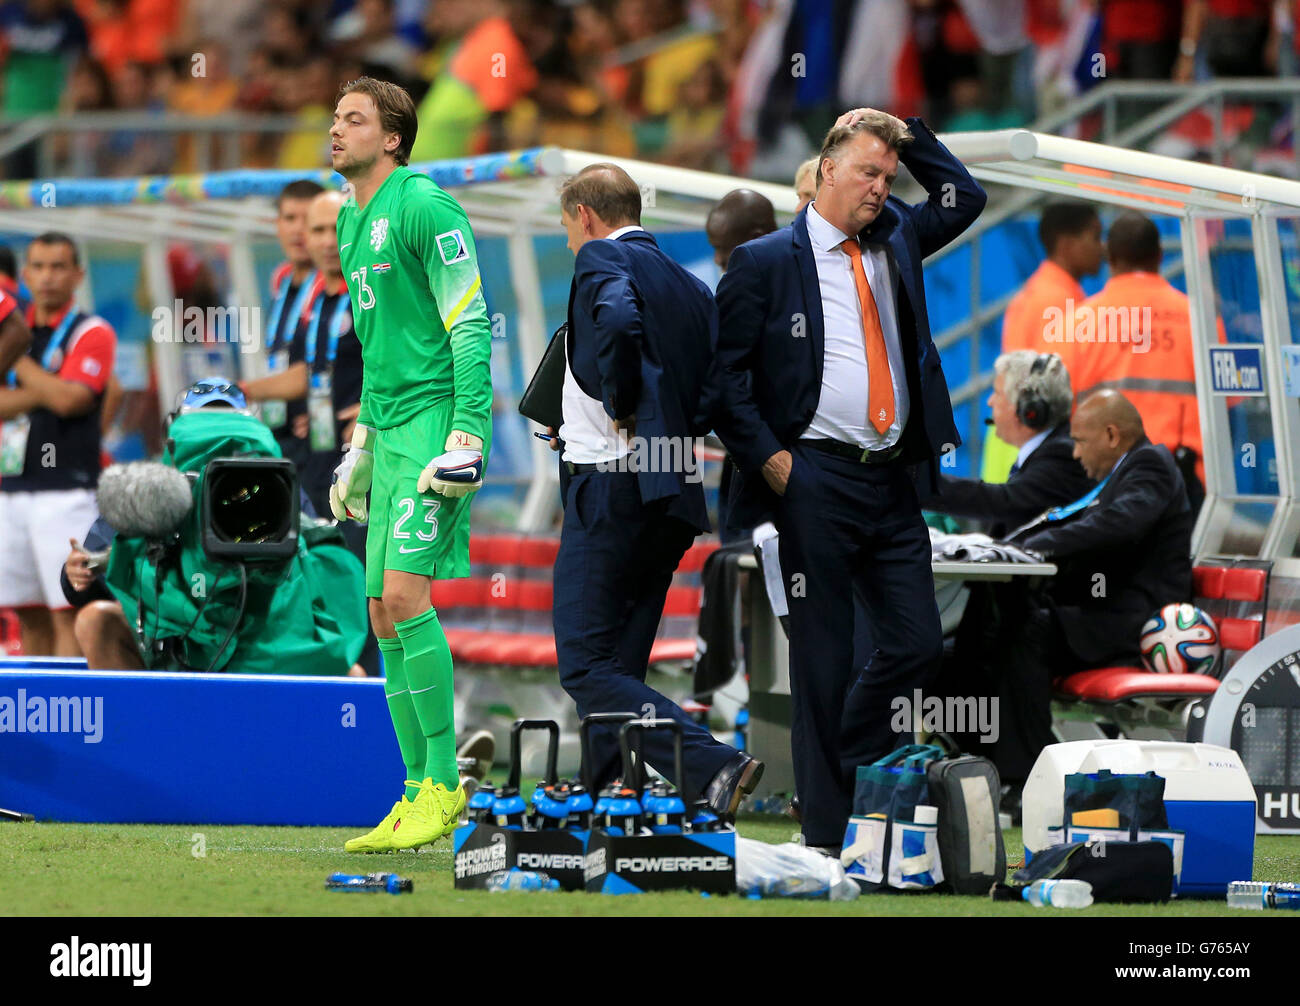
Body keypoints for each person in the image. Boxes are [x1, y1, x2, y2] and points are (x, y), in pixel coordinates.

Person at [714, 107, 986, 852]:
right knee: (823, 658)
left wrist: (907, 133)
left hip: (892, 480)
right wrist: (773, 460)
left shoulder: (898, 237)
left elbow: (965, 198)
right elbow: (724, 383)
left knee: (918, 644)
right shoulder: (764, 261)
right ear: (825, 171)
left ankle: (844, 758)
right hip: (814, 478)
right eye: (868, 171)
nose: (880, 187)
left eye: (888, 176)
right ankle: (828, 836)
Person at [551, 162, 763, 814]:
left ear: (585, 216)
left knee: (587, 666)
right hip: (670, 492)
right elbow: (717, 388)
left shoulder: (598, 260)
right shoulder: (692, 285)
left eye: (566, 227)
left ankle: (714, 766)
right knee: (620, 663)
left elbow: (615, 320)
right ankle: (605, 791)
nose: (567, 241)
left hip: (610, 486)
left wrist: (623, 400)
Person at [328, 77, 494, 854]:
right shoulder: (349, 220)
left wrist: (467, 432)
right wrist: (360, 447)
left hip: (432, 423)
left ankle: (446, 783)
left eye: (353, 119)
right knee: (378, 614)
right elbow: (375, 348)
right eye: (334, 117)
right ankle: (415, 788)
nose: (336, 129)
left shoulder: (425, 206)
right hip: (387, 427)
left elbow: (469, 323)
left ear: (392, 137)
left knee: (405, 595)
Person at [989, 390, 1195, 791]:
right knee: (1010, 619)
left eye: (1081, 441)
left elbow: (1119, 523)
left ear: (1112, 435)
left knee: (1025, 631)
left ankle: (1026, 774)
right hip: (1110, 613)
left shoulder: (1150, 465)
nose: (1075, 453)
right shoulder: (1129, 470)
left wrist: (1038, 547)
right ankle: (1007, 763)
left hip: (1137, 624)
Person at [0, 233, 117, 657]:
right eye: (39, 267)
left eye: (58, 267)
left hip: (66, 490)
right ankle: (36, 711)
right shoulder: (18, 329)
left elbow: (72, 400)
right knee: (27, 611)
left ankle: (67, 708)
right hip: (11, 487)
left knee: (65, 607)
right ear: (25, 274)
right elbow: (56, 394)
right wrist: (48, 389)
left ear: (78, 274)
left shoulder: (91, 330)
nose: (48, 277)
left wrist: (17, 358)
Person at [1066, 211, 1207, 497]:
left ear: (1110, 257)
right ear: (1159, 255)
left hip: (1105, 471)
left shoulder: (1078, 321)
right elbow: (1226, 403)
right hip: (1183, 474)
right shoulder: (1199, 317)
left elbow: (1062, 404)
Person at [925, 351, 1095, 538]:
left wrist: (925, 485)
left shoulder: (1063, 454)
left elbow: (1004, 501)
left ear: (1029, 410)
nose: (990, 402)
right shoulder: (1047, 451)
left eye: (997, 393)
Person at [239, 179, 325, 470]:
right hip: (280, 433)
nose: (298, 229)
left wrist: (241, 391)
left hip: (319, 439)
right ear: (277, 224)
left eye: (308, 220)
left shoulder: (337, 286)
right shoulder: (281, 278)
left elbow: (320, 368)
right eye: (290, 218)